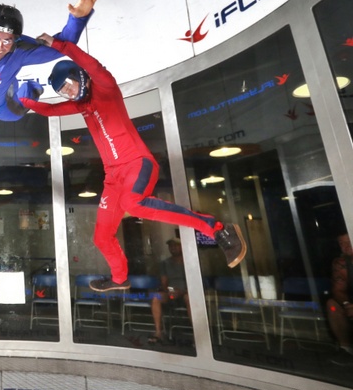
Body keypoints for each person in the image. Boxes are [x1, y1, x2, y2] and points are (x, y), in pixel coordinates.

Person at [20, 33, 247, 292]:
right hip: (113, 176)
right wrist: (23, 101)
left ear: (79, 75)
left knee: (132, 203)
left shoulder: (105, 87)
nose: (69, 92)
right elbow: (49, 110)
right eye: (63, 91)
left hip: (138, 163)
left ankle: (217, 229)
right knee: (101, 236)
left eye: (69, 85)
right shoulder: (83, 106)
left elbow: (93, 66)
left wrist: (60, 45)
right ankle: (119, 279)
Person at [148, 238, 189, 345]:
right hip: (171, 293)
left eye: (176, 245)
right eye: (171, 246)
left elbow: (196, 281)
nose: (173, 248)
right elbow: (164, 282)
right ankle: (158, 332)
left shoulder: (190, 261)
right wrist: (170, 291)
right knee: (157, 297)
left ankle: (198, 333)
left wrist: (182, 291)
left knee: (188, 298)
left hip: (187, 292)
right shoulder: (165, 263)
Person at [328, 233, 353, 365]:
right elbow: (338, 290)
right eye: (341, 243)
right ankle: (347, 350)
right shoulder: (342, 264)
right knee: (332, 305)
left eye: (348, 241)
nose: (346, 246)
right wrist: (346, 304)